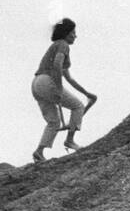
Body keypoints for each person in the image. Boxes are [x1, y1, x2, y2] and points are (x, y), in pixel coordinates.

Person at [31, 19, 96, 163]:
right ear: (66, 34)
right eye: (73, 33)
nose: (75, 36)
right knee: (78, 106)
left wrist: (86, 93)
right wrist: (59, 89)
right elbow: (57, 65)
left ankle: (39, 152)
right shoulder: (63, 44)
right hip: (47, 81)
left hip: (36, 83)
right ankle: (70, 141)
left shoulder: (56, 46)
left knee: (53, 122)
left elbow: (69, 78)